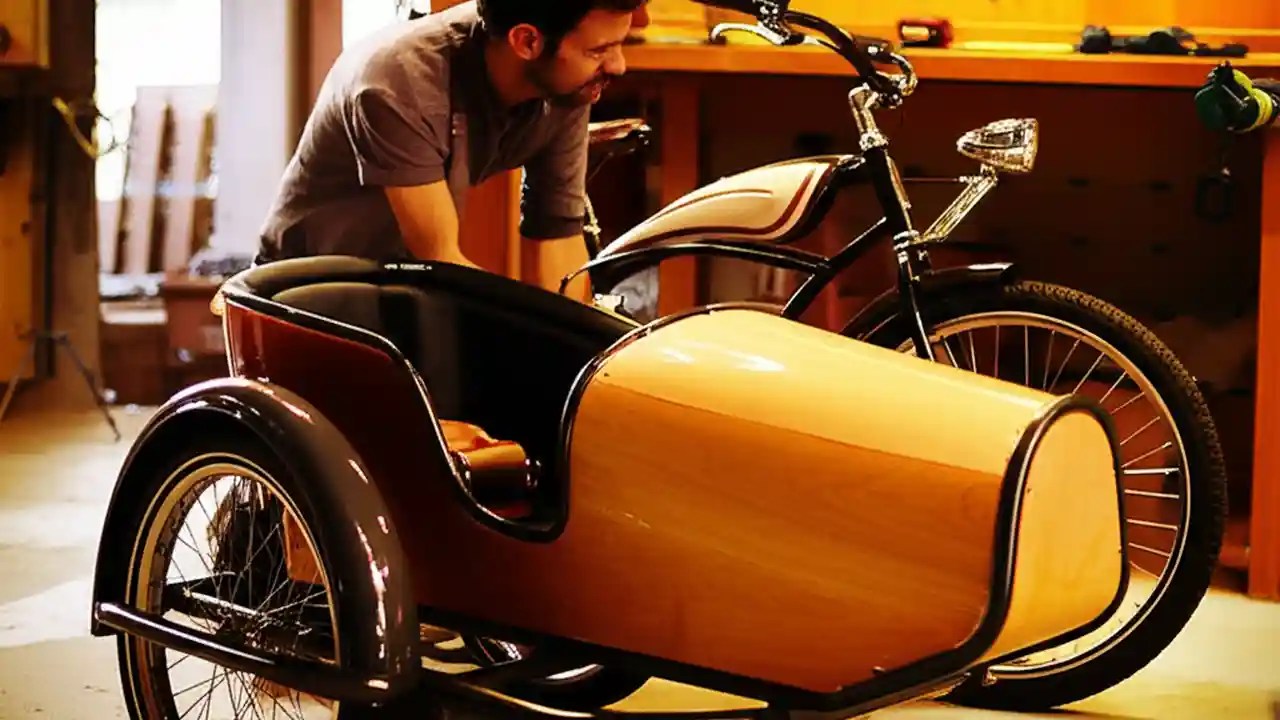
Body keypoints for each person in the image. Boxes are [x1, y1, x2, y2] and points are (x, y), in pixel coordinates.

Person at [254, 0, 648, 296]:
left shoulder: (566, 84)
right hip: (301, 290)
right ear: (527, 40)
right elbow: (438, 260)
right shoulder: (399, 82)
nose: (618, 66)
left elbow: (556, 234)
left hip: (399, 288)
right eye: (598, 51)